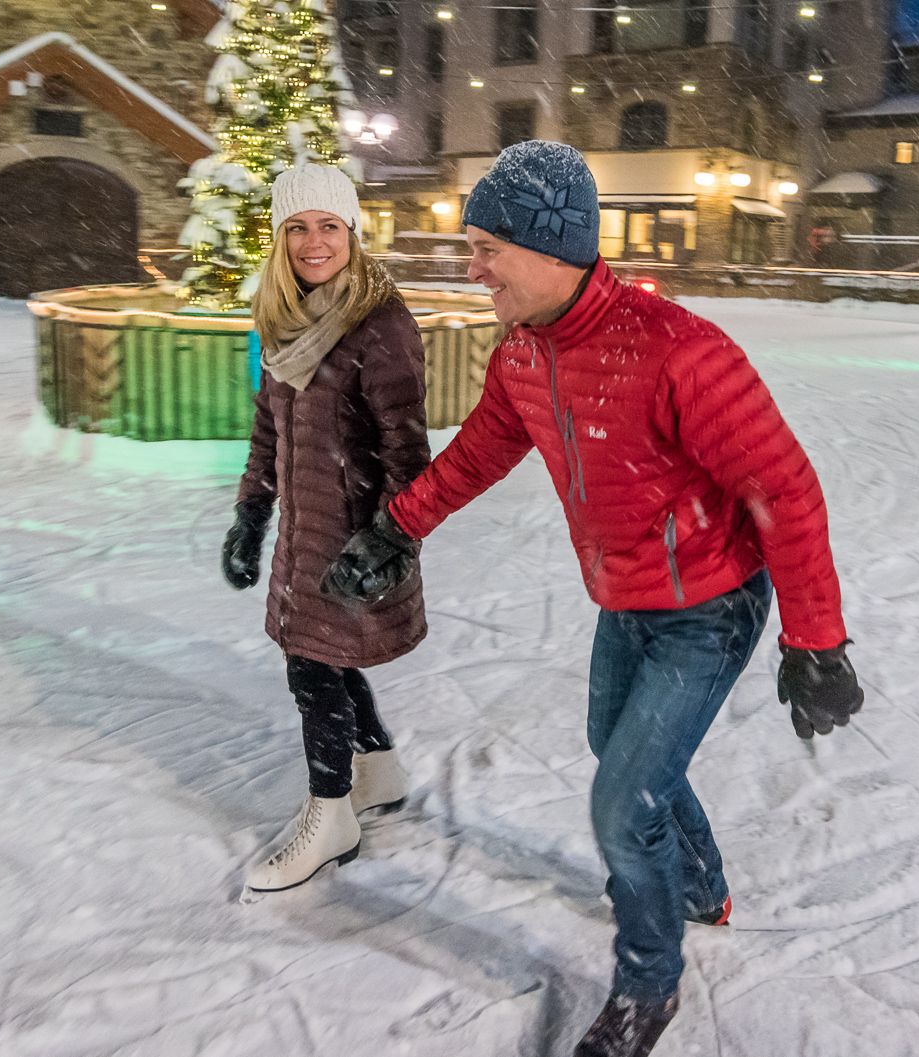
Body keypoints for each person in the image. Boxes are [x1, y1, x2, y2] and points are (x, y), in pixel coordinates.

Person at [324, 142, 864, 1057]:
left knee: (623, 800)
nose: (474, 266)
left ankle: (649, 984)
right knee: (616, 754)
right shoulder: (527, 353)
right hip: (625, 594)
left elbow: (787, 490)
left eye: (490, 246)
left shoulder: (681, 353)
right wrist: (396, 528)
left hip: (712, 602)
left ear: (553, 249)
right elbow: (479, 453)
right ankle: (695, 885)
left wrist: (816, 640)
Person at [221, 162, 431, 895]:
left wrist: (393, 540)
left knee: (312, 667)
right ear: (281, 238)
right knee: (324, 659)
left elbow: (410, 453)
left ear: (352, 232)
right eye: (299, 227)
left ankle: (331, 812)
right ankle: (377, 769)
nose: (315, 242)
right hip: (302, 535)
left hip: (355, 539)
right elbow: (267, 429)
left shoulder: (380, 325)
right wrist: (252, 512)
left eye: (330, 226)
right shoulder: (285, 318)